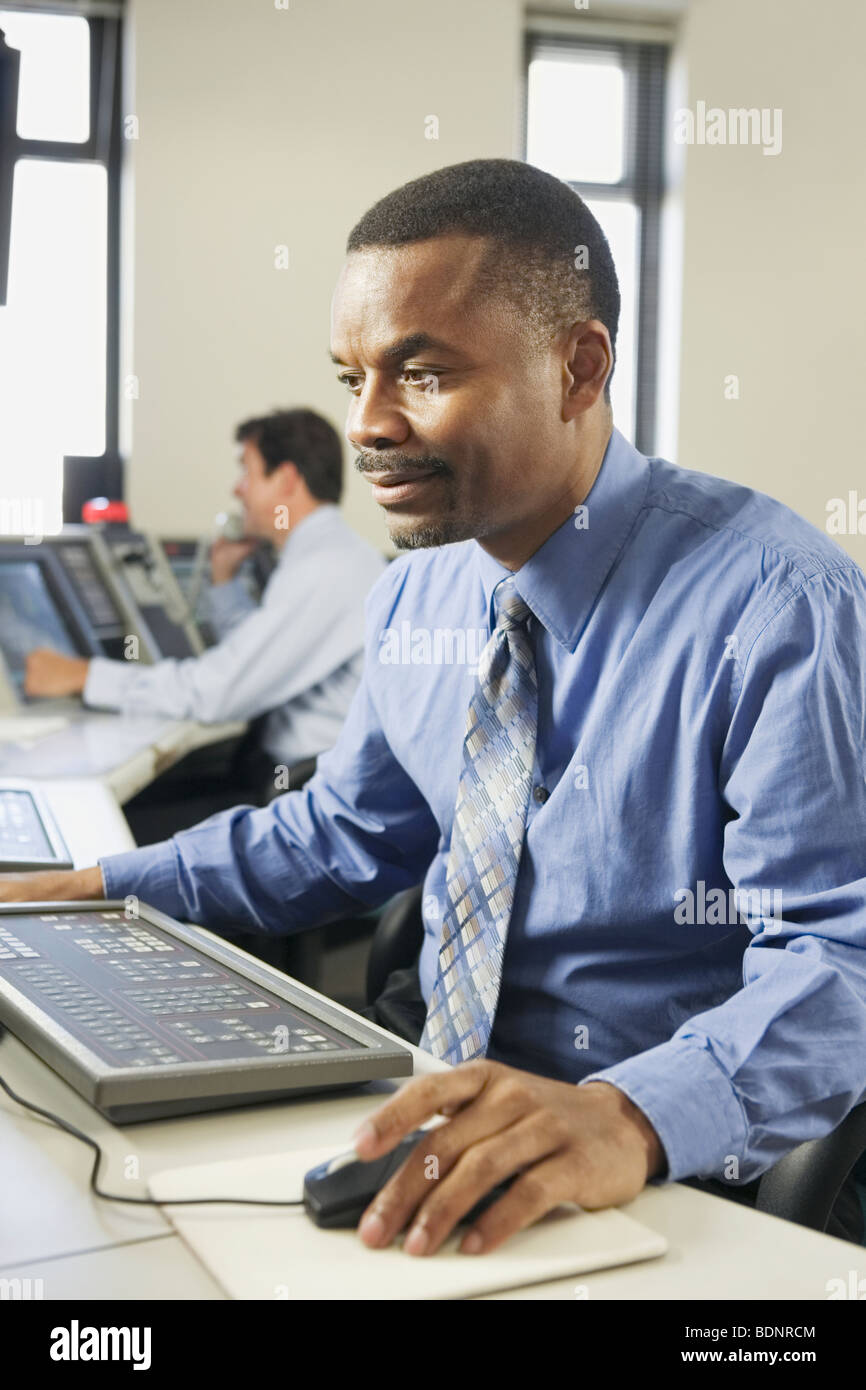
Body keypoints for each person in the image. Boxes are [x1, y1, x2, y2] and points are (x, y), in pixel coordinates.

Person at [4, 159, 866, 1258]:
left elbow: (834, 961)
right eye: (350, 377)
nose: (366, 424)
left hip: (661, 1167)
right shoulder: (418, 586)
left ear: (577, 367)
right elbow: (345, 831)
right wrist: (96, 888)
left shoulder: (779, 604)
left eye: (417, 374)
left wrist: (628, 1114)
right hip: (432, 1116)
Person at [24, 409, 387, 779]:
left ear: (286, 480)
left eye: (246, 470)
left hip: (318, 789)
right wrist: (224, 578)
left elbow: (218, 693)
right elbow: (256, 662)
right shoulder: (330, 555)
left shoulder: (325, 568)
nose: (237, 488)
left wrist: (86, 677)